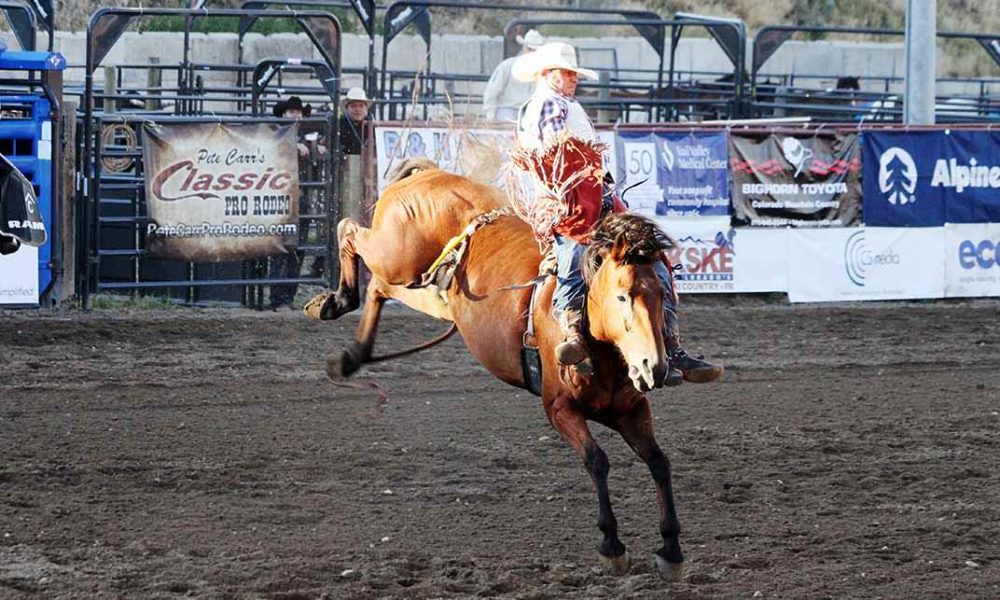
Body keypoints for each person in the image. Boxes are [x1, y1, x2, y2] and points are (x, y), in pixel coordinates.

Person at [509, 42, 721, 385]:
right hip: (573, 203)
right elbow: (558, 153)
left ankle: (649, 342)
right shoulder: (549, 105)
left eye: (574, 73)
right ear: (547, 74)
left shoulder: (554, 104)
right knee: (581, 256)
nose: (573, 78)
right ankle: (580, 332)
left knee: (627, 257)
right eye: (567, 72)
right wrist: (587, 182)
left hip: (587, 199)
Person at [267, 96, 317, 310]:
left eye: (298, 112)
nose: (295, 115)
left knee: (297, 247)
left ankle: (287, 296)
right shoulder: (275, 134)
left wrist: (312, 148)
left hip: (300, 195)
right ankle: (279, 297)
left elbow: (316, 156)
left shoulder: (308, 137)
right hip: (282, 195)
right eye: (291, 112)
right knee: (282, 246)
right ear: (283, 115)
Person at [482, 29, 545, 121]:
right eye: (530, 49)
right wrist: (490, 115)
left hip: (529, 111)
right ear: (524, 48)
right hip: (507, 109)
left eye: (535, 50)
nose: (532, 53)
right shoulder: (507, 66)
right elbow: (492, 91)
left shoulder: (543, 71)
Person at [339, 87, 373, 156]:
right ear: (347, 109)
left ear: (366, 109)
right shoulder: (339, 125)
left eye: (361, 106)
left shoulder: (372, 125)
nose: (357, 109)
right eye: (353, 106)